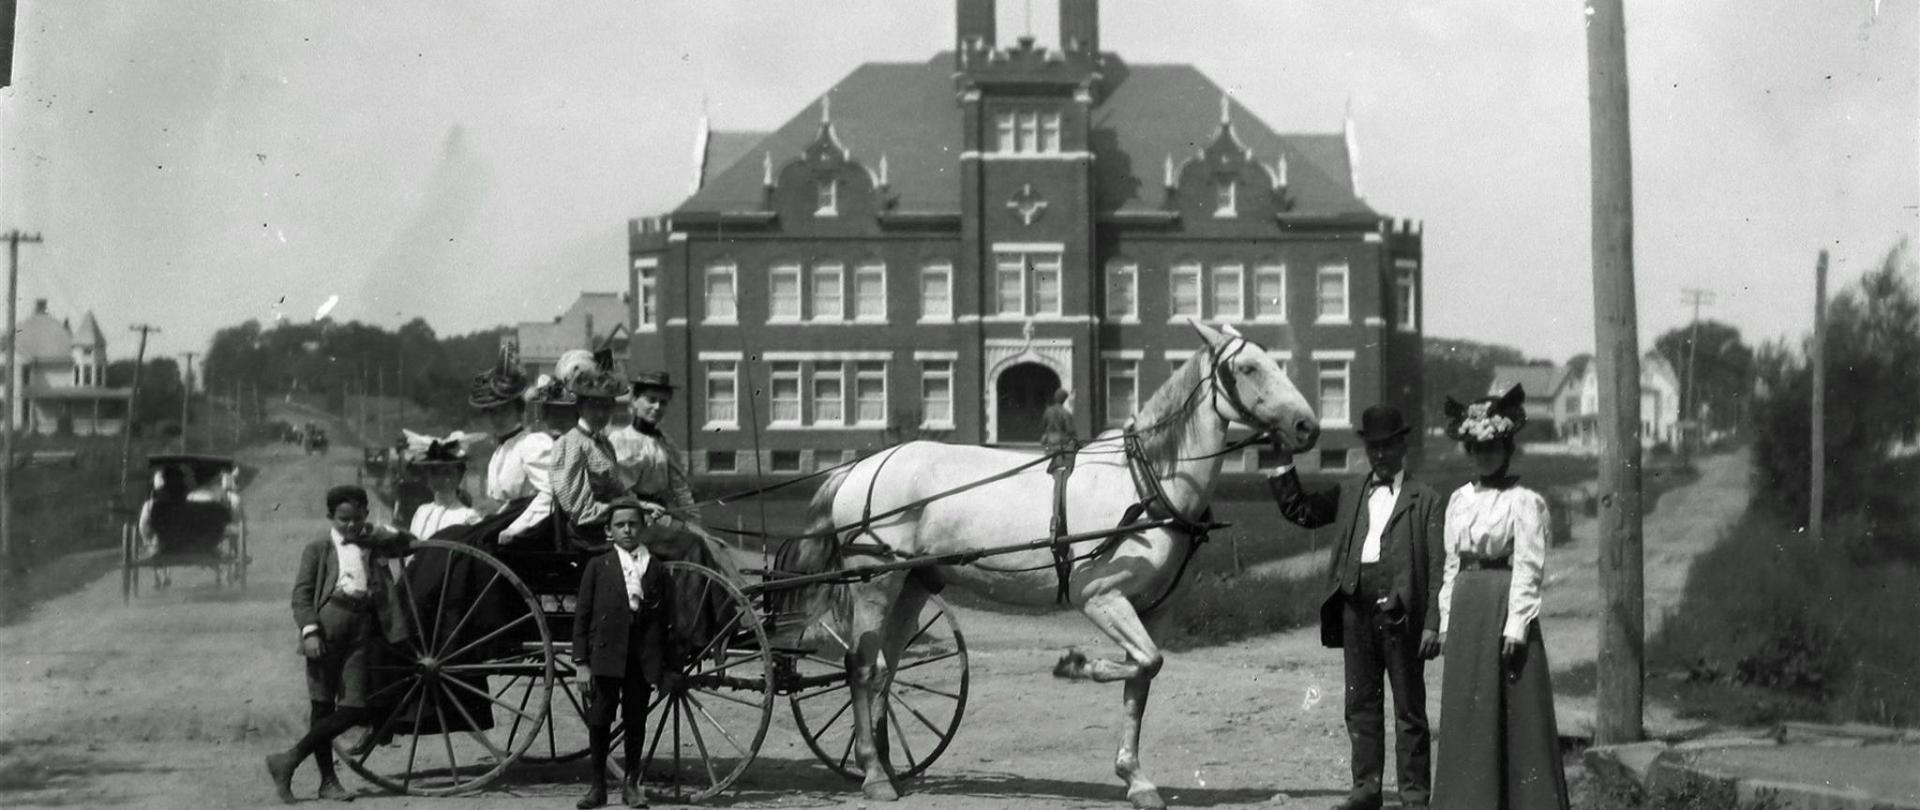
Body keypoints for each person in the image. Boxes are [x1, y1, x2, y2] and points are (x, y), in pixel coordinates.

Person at [1265, 404, 1445, 810]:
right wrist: (1280, 464)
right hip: (1354, 611)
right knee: (1359, 704)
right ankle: (1366, 790)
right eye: (1373, 447)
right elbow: (1302, 510)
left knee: (1409, 709)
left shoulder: (1427, 499)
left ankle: (1415, 796)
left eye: (1387, 446)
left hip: (1401, 617)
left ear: (1402, 446)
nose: (1379, 454)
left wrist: (1433, 623)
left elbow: (1437, 567)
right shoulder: (1350, 491)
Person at [1431, 385, 1570, 809]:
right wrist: (1446, 620)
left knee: (1513, 707)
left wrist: (1517, 623)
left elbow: (1528, 566)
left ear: (1507, 448)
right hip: (1468, 607)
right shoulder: (1458, 500)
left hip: (1502, 604)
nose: (1484, 456)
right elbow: (1452, 565)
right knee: (1467, 708)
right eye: (1476, 448)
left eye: (1492, 447)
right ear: (1467, 451)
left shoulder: (1524, 502)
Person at [266, 485, 416, 805]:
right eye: (343, 519)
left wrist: (373, 532)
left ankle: (288, 759)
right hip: (328, 624)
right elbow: (302, 596)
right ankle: (327, 782)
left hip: (362, 626)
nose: (350, 525)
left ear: (366, 514)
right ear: (330, 517)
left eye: (357, 518)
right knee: (322, 706)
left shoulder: (373, 544)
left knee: (353, 707)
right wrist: (310, 632)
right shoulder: (318, 548)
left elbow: (410, 544)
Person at [572, 495, 680, 809]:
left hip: (641, 656)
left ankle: (632, 784)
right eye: (620, 525)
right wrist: (582, 662)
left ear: (643, 528)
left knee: (635, 721)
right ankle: (597, 787)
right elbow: (582, 616)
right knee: (600, 719)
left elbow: (668, 621)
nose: (627, 530)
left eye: (633, 524)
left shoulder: (656, 568)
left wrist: (669, 667)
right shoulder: (598, 566)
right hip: (605, 655)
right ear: (609, 531)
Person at [468, 347, 557, 545]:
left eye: (503, 410)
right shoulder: (500, 451)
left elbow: (551, 494)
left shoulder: (533, 443)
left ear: (518, 409)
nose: (497, 417)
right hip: (501, 523)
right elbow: (500, 504)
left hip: (528, 533)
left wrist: (515, 529)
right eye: (492, 411)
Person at [550, 349, 630, 552]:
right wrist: (629, 511)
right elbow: (580, 511)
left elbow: (619, 492)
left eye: (607, 406)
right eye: (595, 406)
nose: (602, 413)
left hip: (616, 527)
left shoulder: (604, 443)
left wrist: (640, 506)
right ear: (580, 405)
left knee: (686, 539)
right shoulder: (570, 444)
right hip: (590, 537)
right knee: (685, 545)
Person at [404, 435, 482, 540]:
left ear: (459, 475)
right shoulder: (421, 512)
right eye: (434, 472)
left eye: (448, 472)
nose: (441, 478)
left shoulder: (468, 516)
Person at [1039, 388, 1079, 539]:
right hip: (1061, 444)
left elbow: (1042, 425)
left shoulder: (1048, 411)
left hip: (1049, 442)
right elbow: (1070, 431)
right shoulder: (1065, 413)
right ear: (1063, 399)